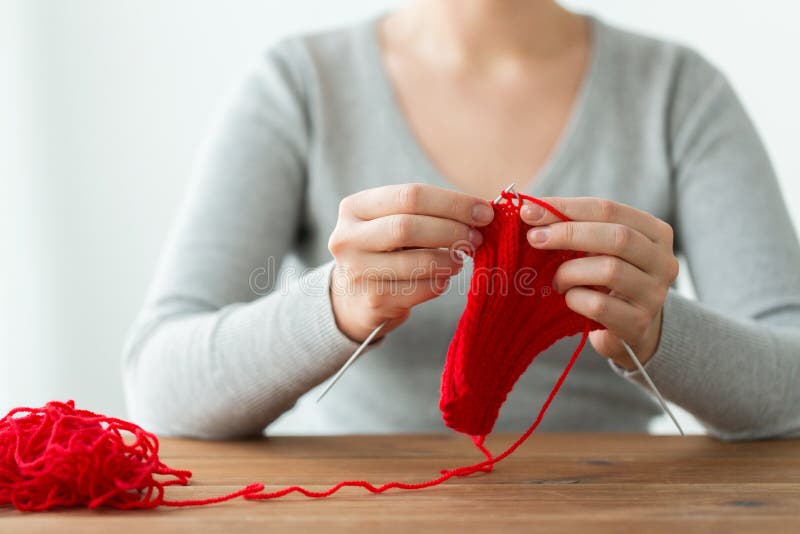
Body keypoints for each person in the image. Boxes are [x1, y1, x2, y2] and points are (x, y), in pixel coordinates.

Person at [122, 0, 800, 440]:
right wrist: (335, 306)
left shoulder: (678, 92)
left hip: (607, 510)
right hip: (368, 512)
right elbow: (159, 384)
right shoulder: (300, 86)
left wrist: (656, 331)